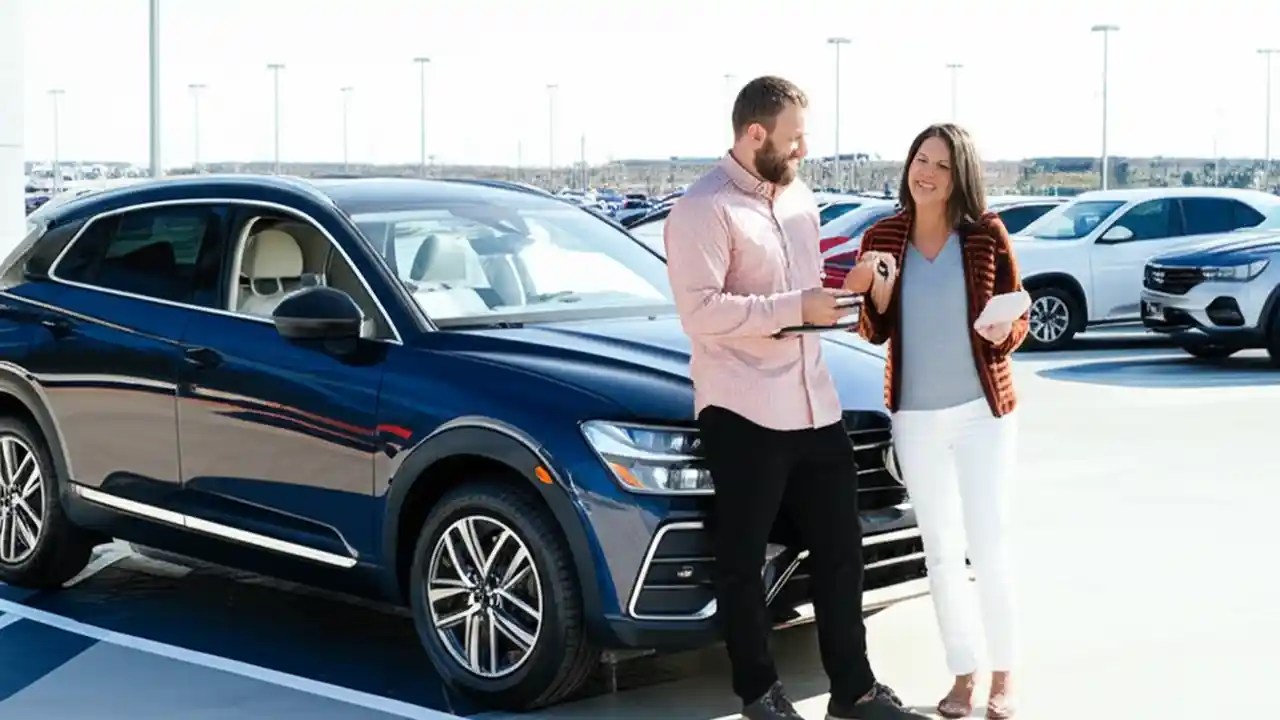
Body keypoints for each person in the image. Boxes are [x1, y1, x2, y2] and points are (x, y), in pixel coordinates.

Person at [664, 75, 927, 720]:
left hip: (816, 404)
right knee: (744, 560)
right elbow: (699, 313)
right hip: (743, 407)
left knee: (842, 552)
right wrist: (792, 305)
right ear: (756, 134)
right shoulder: (703, 209)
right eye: (794, 136)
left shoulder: (801, 200)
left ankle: (854, 692)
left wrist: (854, 284)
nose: (805, 148)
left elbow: (807, 296)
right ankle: (759, 695)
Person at [842, 123, 1028, 719]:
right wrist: (871, 292)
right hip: (915, 418)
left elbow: (1015, 313)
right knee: (941, 551)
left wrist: (1006, 333)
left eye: (942, 165)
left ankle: (1004, 675)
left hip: (983, 415)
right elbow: (873, 330)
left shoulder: (985, 235)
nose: (926, 172)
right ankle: (963, 674)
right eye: (920, 159)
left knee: (988, 545)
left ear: (960, 175)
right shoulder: (884, 235)